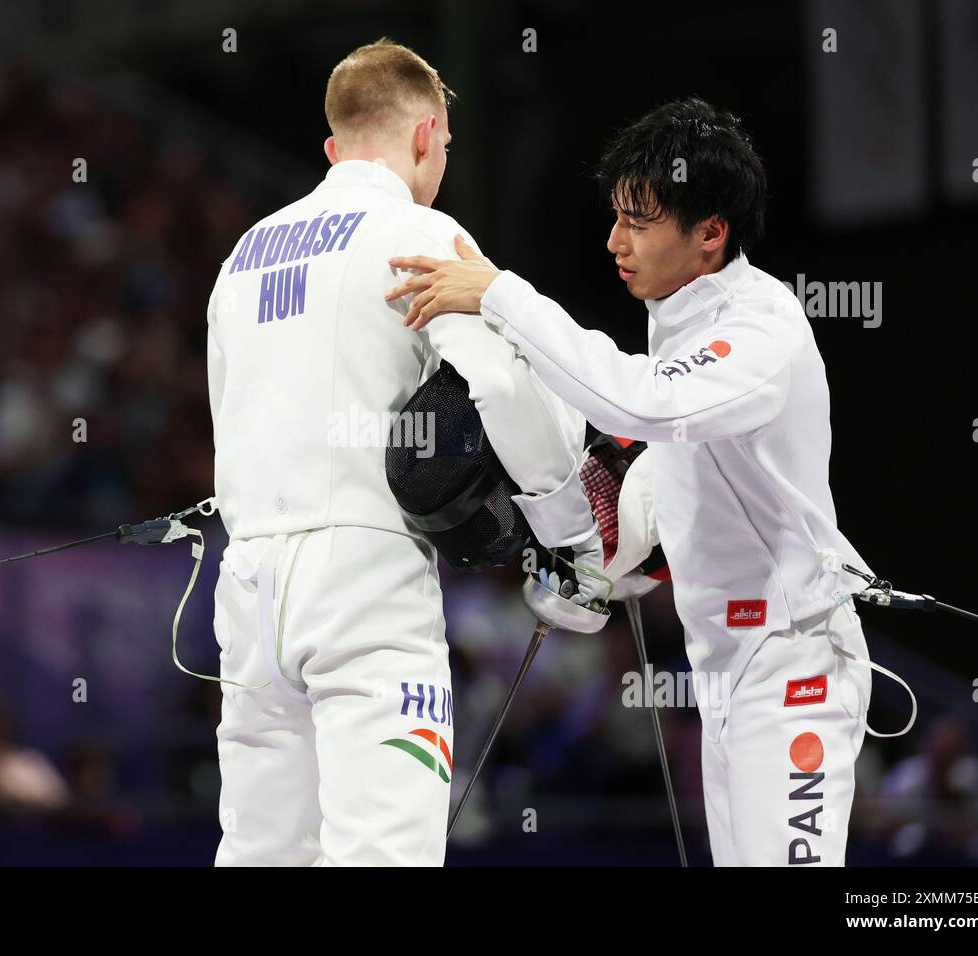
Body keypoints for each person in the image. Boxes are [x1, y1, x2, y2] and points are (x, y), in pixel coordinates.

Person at [386, 98, 877, 867]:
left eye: (639, 222)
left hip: (794, 666)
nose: (616, 241)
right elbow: (674, 460)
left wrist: (499, 295)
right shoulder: (675, 311)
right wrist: (601, 554)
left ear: (710, 233)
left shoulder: (761, 330)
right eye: (616, 216)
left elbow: (643, 402)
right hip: (729, 666)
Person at [203, 39, 603, 866]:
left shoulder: (242, 256)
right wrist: (569, 536)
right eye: (447, 146)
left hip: (244, 592)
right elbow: (503, 387)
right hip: (364, 583)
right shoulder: (418, 231)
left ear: (332, 147)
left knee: (258, 857)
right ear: (425, 136)